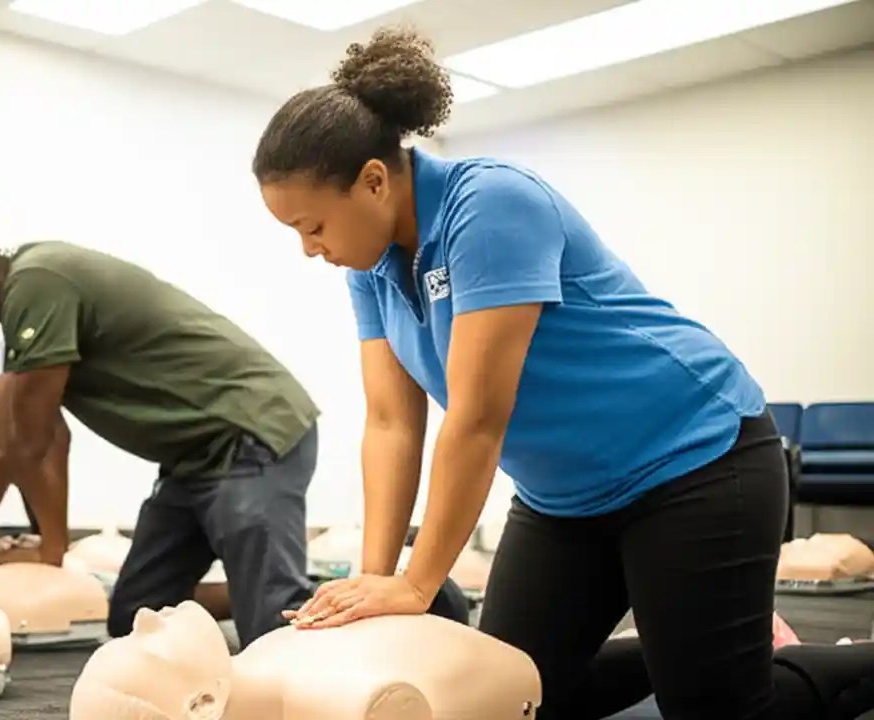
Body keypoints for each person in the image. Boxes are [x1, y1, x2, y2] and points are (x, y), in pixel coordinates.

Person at [251, 26, 874, 720]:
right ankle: (700, 642)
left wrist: (417, 582)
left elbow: (477, 418)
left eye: (312, 227)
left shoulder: (487, 206)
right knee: (509, 693)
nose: (310, 250)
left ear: (372, 181)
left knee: (718, 707)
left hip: (694, 464)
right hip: (565, 501)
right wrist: (375, 580)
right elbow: (393, 422)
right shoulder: (369, 265)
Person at [0, 233, 326, 646]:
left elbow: (24, 443)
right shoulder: (29, 294)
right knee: (138, 616)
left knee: (270, 627)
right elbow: (28, 439)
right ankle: (301, 593)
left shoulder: (38, 281)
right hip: (194, 460)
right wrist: (33, 548)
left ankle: (289, 600)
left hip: (248, 434)